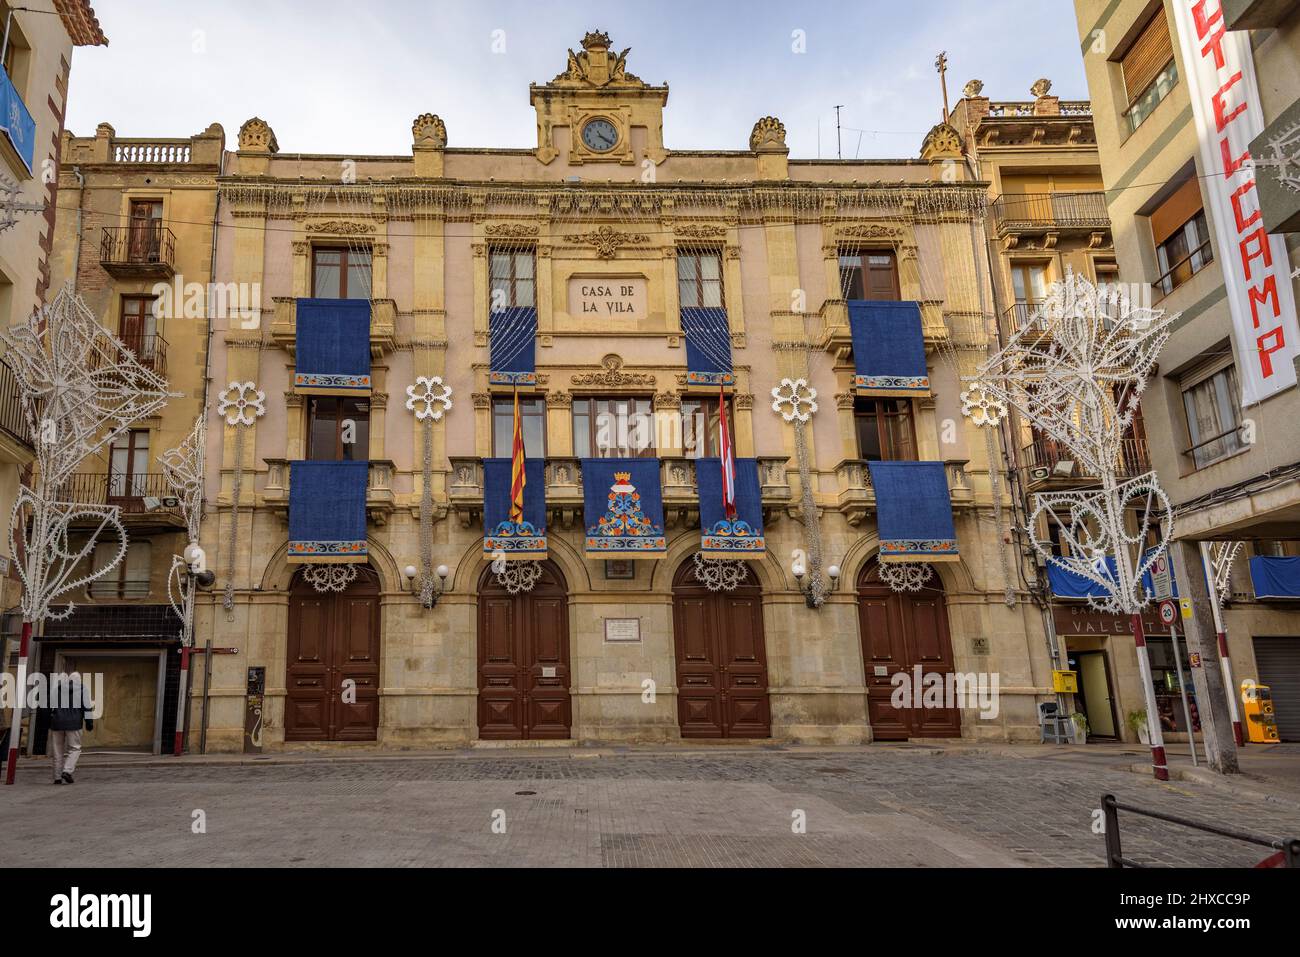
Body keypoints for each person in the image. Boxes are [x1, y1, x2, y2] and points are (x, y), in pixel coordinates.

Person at [48, 671, 93, 785]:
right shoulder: (83, 689)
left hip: (57, 723)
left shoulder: (56, 690)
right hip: (74, 724)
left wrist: (49, 721)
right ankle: (67, 771)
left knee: (57, 751)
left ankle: (57, 777)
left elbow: (48, 707)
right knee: (75, 749)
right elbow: (86, 707)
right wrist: (89, 722)